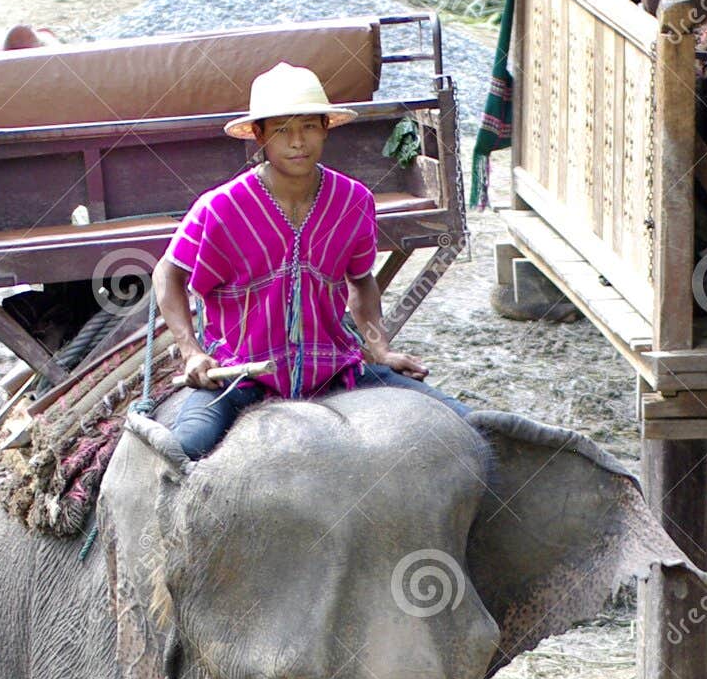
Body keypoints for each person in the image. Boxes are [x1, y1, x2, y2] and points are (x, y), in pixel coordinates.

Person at [153, 62, 474, 459]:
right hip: (240, 375)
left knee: (461, 421)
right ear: (260, 136)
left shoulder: (353, 200)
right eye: (282, 130)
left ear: (325, 126)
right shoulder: (220, 207)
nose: (297, 142)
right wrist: (191, 351)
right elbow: (167, 273)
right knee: (185, 449)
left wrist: (378, 347)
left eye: (307, 126)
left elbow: (362, 280)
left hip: (335, 371)